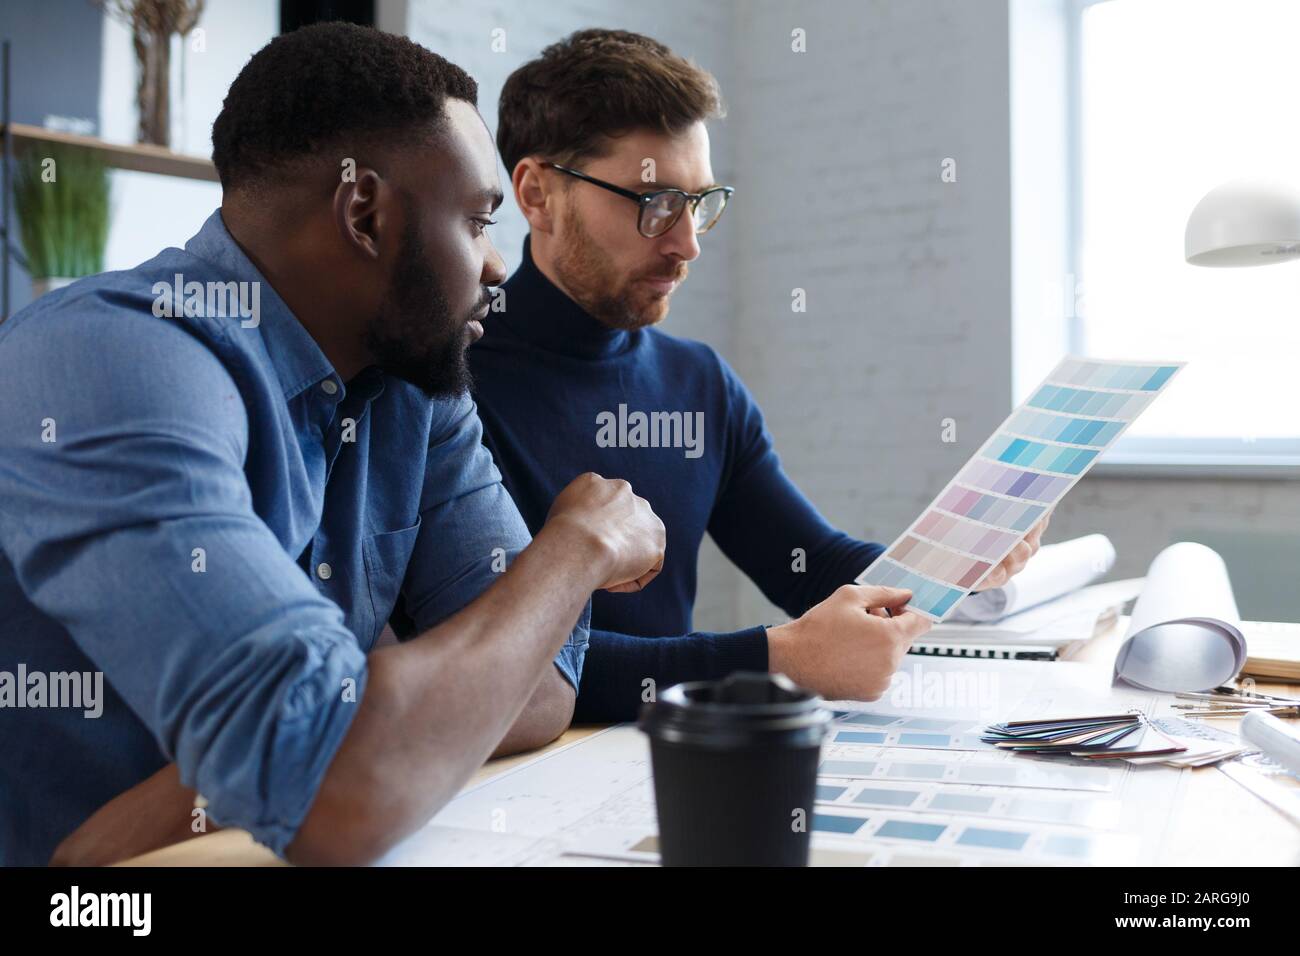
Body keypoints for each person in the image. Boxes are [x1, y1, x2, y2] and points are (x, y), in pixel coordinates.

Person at [0, 23, 664, 867]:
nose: (499, 268)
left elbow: (536, 693)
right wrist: (580, 543)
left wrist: (239, 773)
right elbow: (341, 792)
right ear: (364, 212)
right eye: (476, 222)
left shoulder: (414, 386)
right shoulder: (108, 361)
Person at [467, 29, 1045, 722]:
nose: (686, 244)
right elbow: (500, 671)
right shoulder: (447, 390)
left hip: (661, 765)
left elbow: (811, 565)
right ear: (536, 194)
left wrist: (949, 561)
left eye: (700, 203)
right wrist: (779, 658)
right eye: (653, 204)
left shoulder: (699, 384)